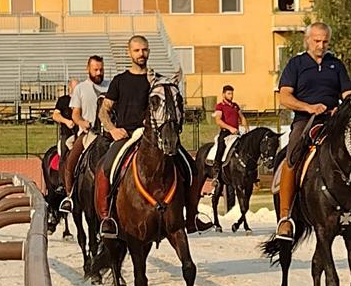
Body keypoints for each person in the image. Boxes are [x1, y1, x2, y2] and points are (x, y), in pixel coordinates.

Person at [94, 35, 213, 237]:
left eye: (145, 50)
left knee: (191, 169)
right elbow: (104, 111)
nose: (141, 54)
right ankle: (107, 218)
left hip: (157, 136)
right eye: (137, 50)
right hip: (127, 135)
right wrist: (113, 129)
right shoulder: (119, 81)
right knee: (107, 167)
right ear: (129, 53)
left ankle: (191, 216)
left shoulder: (158, 81)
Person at [275, 22, 351, 241]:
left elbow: (348, 93)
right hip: (306, 120)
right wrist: (308, 107)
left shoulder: (336, 65)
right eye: (317, 40)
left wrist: (345, 106)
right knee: (293, 154)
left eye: (325, 41)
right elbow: (284, 97)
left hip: (334, 120)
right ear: (307, 40)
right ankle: (285, 217)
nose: (321, 45)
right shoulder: (296, 64)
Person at [59, 56, 110, 213]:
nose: (98, 72)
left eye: (101, 69)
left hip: (109, 134)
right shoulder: (81, 88)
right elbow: (75, 114)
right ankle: (70, 195)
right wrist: (82, 123)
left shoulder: (111, 86)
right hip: (88, 134)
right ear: (87, 69)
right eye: (95, 69)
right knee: (71, 160)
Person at [210, 84, 248, 188]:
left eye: (232, 93)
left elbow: (242, 117)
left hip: (236, 132)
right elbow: (218, 120)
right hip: (226, 132)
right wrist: (230, 128)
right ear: (223, 94)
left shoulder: (235, 105)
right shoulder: (220, 106)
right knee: (221, 145)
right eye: (229, 93)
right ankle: (216, 169)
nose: (231, 96)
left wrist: (246, 128)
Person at [52, 78, 80, 183]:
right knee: (64, 153)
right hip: (67, 134)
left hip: (80, 134)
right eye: (75, 87)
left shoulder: (81, 101)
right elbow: (55, 115)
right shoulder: (63, 100)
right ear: (70, 88)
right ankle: (61, 180)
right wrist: (66, 121)